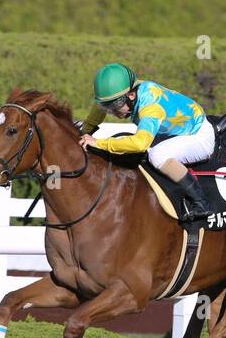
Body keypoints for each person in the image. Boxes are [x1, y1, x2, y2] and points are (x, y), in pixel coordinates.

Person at [78, 62, 212, 222]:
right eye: (107, 106)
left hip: (198, 135)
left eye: (115, 106)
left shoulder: (150, 106)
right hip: (172, 133)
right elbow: (100, 107)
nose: (111, 112)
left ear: (132, 95)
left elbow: (140, 143)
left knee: (157, 155)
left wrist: (98, 143)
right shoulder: (127, 91)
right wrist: (85, 131)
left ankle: (201, 203)